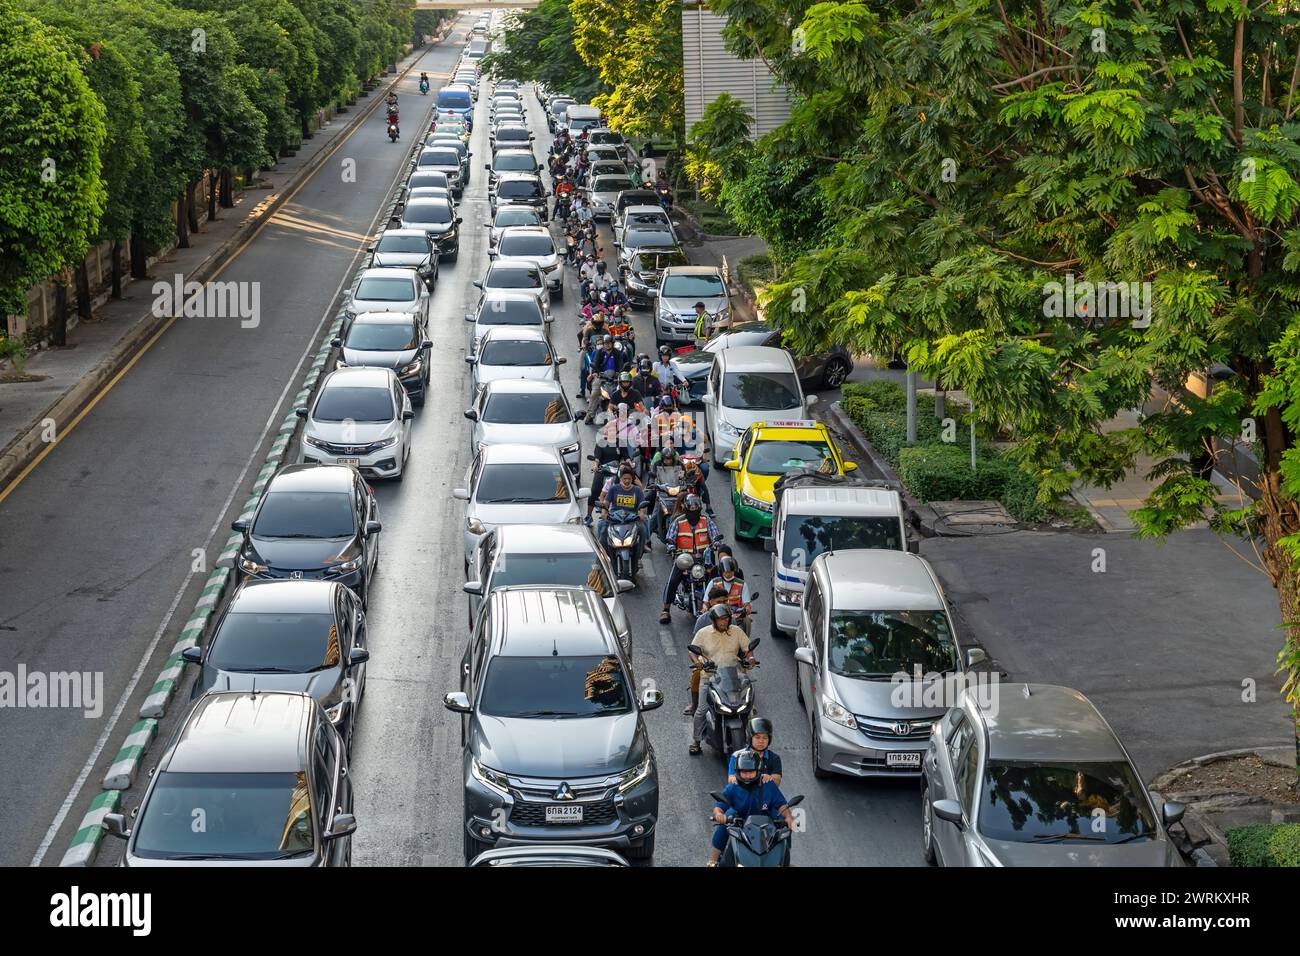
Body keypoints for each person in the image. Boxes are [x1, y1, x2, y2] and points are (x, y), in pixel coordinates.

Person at [688, 604, 755, 755]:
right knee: (702, 710)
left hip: (735, 677)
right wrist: (697, 662)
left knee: (750, 710)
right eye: (720, 620)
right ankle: (696, 741)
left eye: (725, 619)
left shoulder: (737, 631)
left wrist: (750, 658)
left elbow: (748, 649)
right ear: (713, 620)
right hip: (710, 677)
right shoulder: (703, 633)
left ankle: (753, 741)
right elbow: (692, 650)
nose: (723, 622)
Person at [709, 750, 794, 865]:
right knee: (722, 828)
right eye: (744, 772)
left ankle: (784, 860)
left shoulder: (768, 784)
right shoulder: (732, 788)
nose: (748, 776)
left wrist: (788, 816)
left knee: (785, 829)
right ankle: (712, 861)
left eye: (751, 772)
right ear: (738, 772)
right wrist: (719, 815)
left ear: (758, 771)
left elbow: (781, 805)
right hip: (739, 821)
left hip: (766, 822)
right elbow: (718, 808)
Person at [661, 494, 721, 624]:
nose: (694, 514)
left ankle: (721, 606)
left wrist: (716, 543)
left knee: (717, 581)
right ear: (686, 510)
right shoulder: (678, 521)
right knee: (673, 580)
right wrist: (671, 547)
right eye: (691, 511)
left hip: (704, 559)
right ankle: (666, 609)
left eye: (696, 511)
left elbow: (715, 534)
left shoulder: (706, 520)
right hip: (685, 559)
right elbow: (670, 537)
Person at [597, 466, 650, 559]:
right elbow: (605, 503)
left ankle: (641, 549)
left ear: (632, 479)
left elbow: (643, 505)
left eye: (629, 479)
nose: (627, 481)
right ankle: (601, 553)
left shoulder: (637, 490)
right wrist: (604, 513)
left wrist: (642, 514)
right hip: (614, 517)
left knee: (642, 529)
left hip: (632, 517)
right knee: (602, 526)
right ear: (620, 478)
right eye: (624, 478)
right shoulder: (614, 489)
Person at [727, 716, 782, 786]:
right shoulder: (737, 755)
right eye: (757, 737)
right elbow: (731, 778)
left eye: (765, 738)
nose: (761, 741)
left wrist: (770, 778)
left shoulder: (774, 758)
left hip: (765, 793)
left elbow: (777, 780)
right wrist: (734, 779)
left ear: (769, 739)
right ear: (750, 738)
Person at [706, 555, 753, 634]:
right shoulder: (713, 583)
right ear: (721, 571)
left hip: (736, 616)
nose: (728, 574)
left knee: (747, 620)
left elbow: (746, 603)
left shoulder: (742, 584)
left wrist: (747, 609)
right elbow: (705, 602)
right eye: (726, 572)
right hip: (716, 615)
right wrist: (704, 608)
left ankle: (745, 643)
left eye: (731, 572)